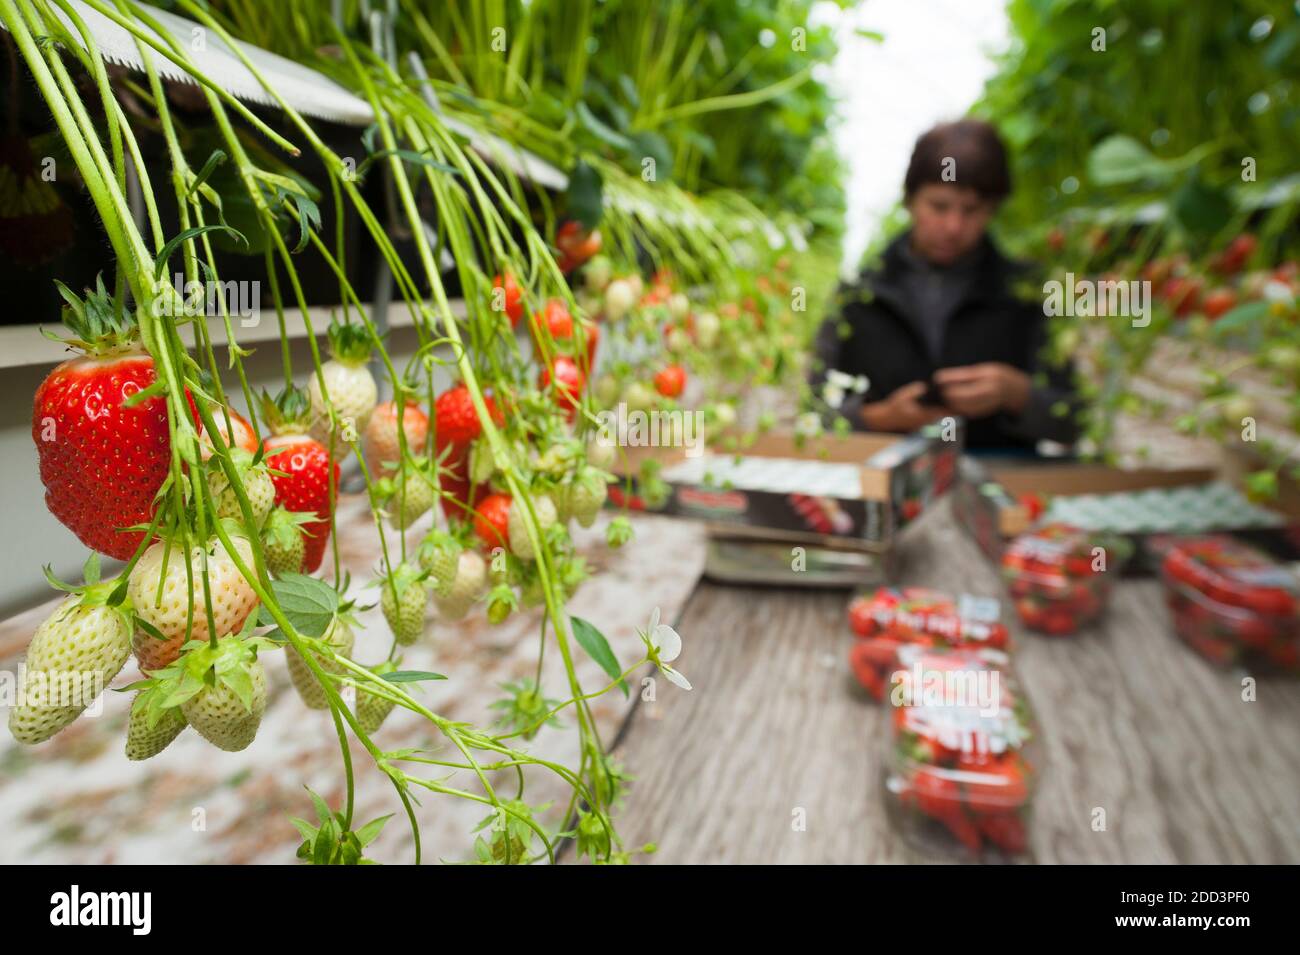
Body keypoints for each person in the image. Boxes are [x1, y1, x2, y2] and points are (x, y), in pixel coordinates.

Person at [810, 120, 1080, 450]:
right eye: (939, 206)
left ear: (993, 210)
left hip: (1001, 478)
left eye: (972, 210)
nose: (953, 226)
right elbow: (813, 413)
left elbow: (1078, 421)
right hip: (881, 478)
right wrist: (881, 417)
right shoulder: (857, 294)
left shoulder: (1027, 293)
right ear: (910, 201)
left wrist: (1017, 394)